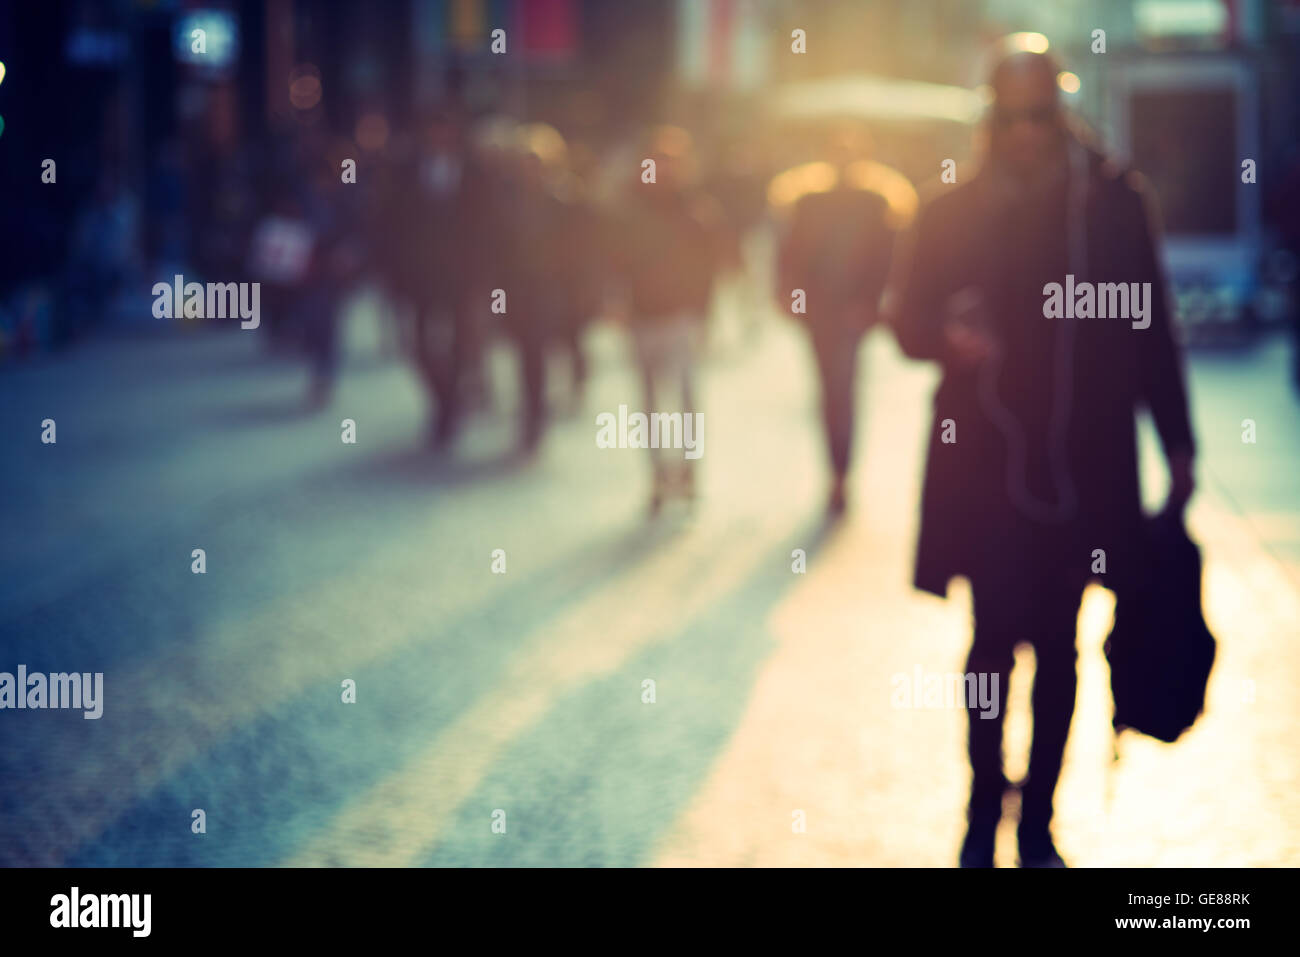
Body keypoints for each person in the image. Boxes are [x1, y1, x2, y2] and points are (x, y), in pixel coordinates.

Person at [887, 46, 1196, 867]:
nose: (1025, 135)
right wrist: (948, 336)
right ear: (993, 119)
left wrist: (1180, 441)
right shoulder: (950, 209)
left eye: (1038, 117)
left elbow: (1152, 325)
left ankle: (1039, 822)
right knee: (992, 639)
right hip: (984, 463)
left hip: (1084, 461)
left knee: (1060, 642)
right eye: (1010, 118)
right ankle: (983, 802)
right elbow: (906, 321)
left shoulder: (1111, 202)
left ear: (1056, 113)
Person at [775, 126, 901, 514]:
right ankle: (837, 470)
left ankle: (841, 473)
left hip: (851, 313)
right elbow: (791, 256)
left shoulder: (875, 203)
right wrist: (792, 300)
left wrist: (870, 302)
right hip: (820, 312)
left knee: (842, 389)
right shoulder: (808, 202)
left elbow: (888, 260)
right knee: (830, 388)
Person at [609, 126, 728, 514]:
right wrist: (616, 300)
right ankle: (658, 474)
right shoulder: (632, 207)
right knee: (648, 403)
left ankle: (688, 471)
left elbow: (711, 265)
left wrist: (704, 313)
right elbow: (615, 258)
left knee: (684, 399)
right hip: (643, 315)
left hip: (680, 317)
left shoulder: (696, 207)